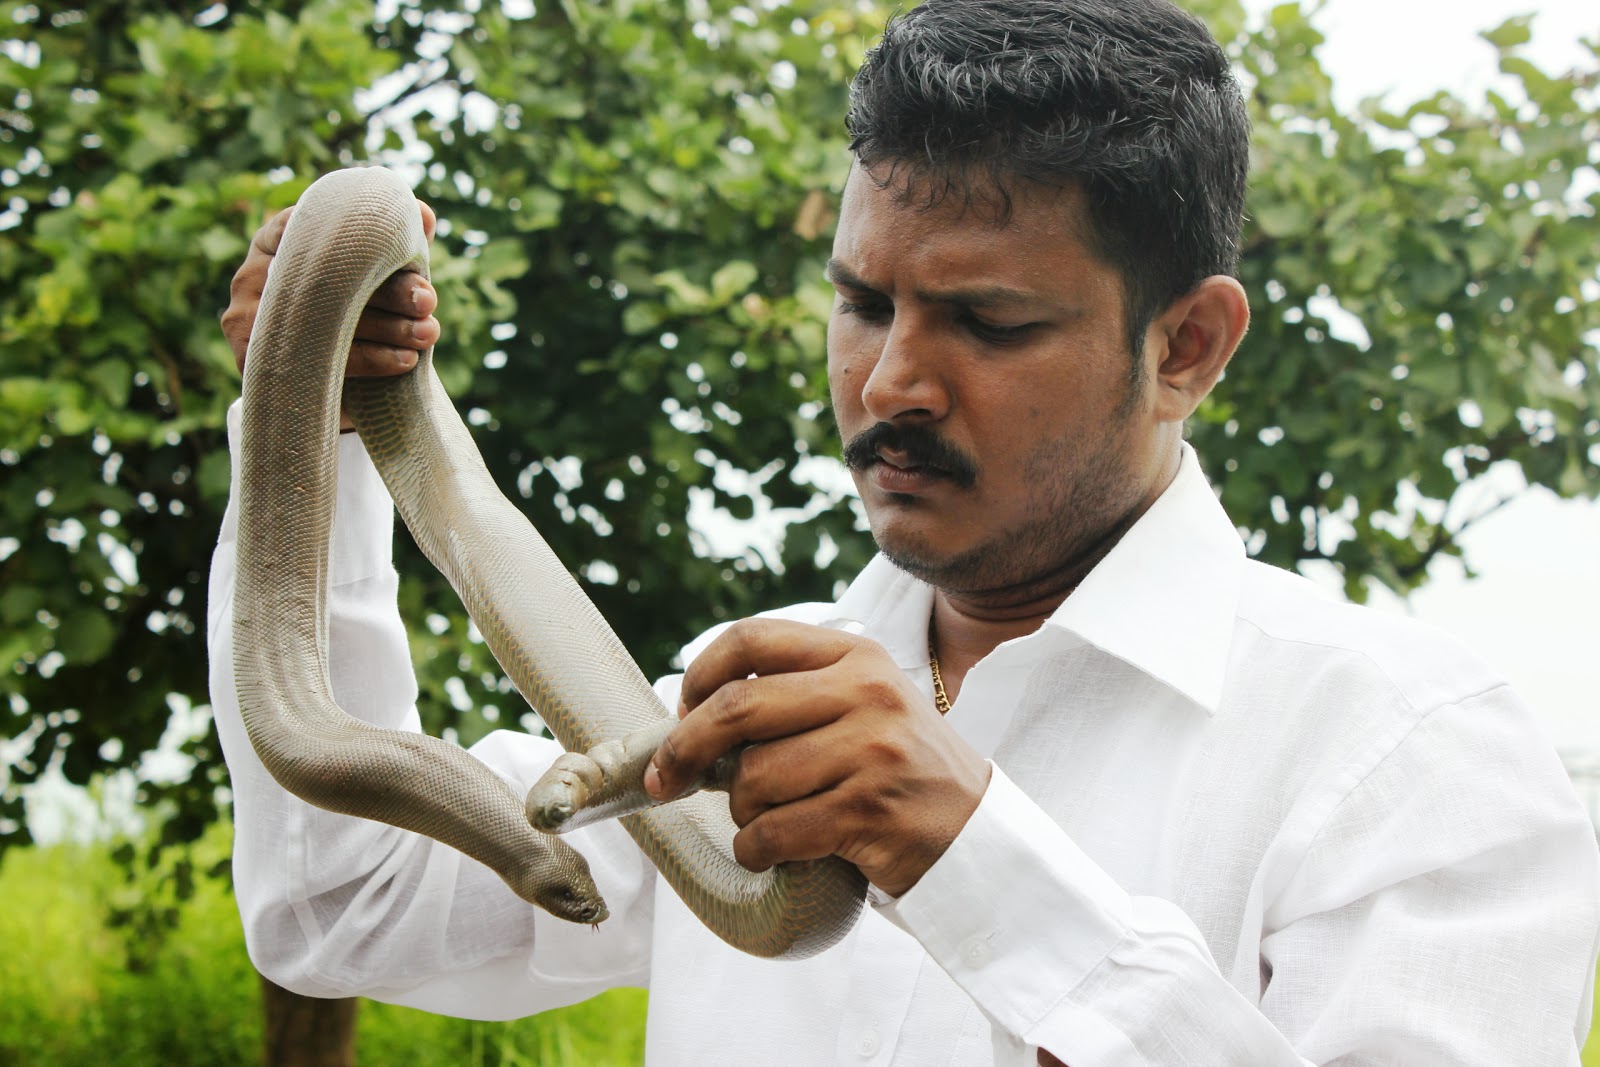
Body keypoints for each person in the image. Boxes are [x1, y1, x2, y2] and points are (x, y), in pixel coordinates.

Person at [209, 1, 1600, 1063]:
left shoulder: (1404, 759)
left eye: (988, 322)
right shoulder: (735, 700)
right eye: (865, 304)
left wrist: (980, 859)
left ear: (1186, 346)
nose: (890, 385)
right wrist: (305, 438)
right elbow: (337, 903)